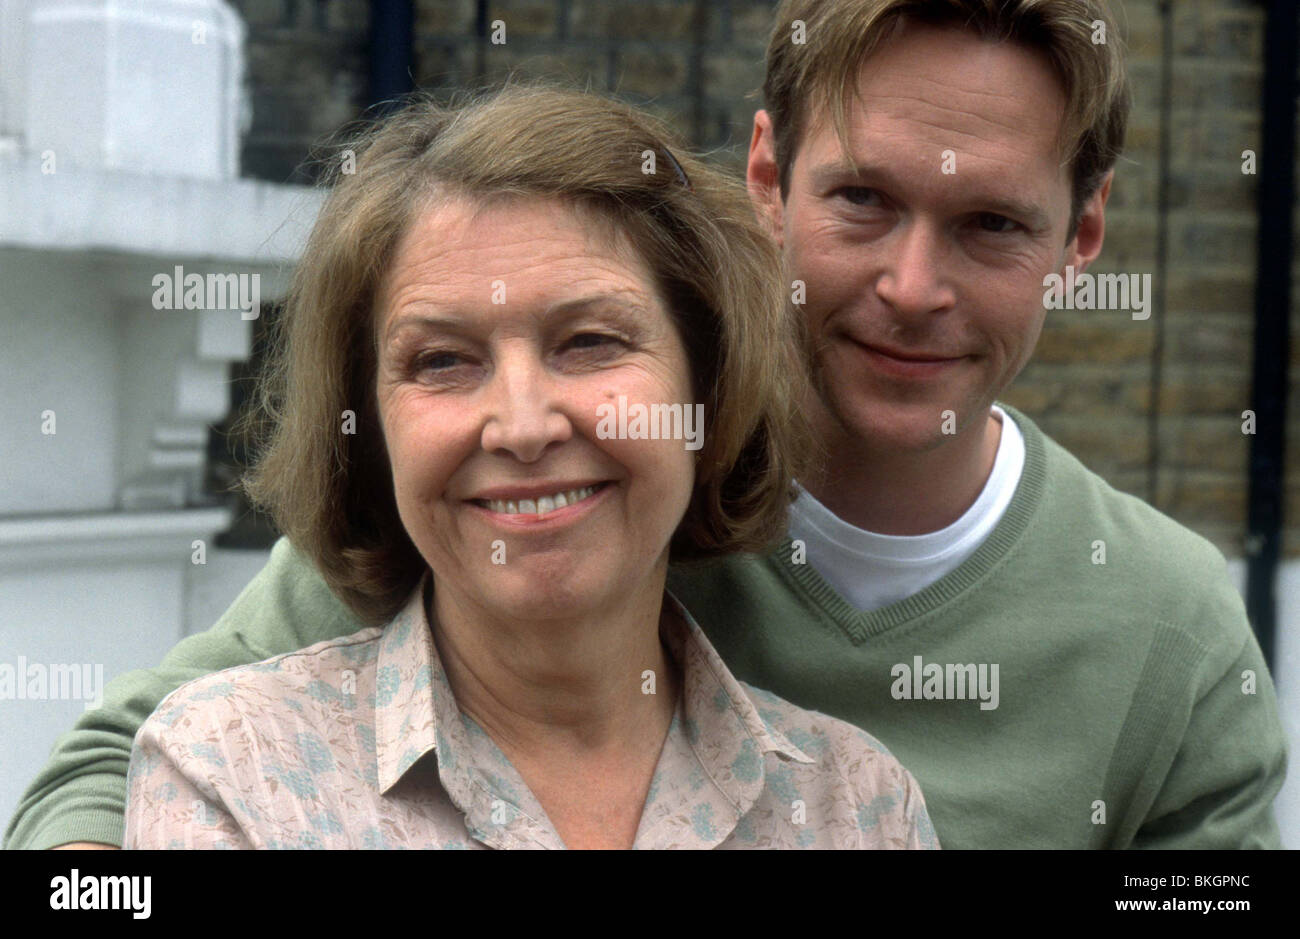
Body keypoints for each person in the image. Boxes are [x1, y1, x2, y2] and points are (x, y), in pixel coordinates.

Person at [8, 0, 1285, 851]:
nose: (911, 286)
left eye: (990, 225)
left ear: (1086, 235)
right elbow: (100, 784)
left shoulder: (1165, 638)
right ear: (771, 176)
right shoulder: (531, 507)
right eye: (861, 201)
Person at [117, 84, 938, 850]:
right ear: (370, 429)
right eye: (441, 360)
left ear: (712, 385)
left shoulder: (855, 808)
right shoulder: (236, 774)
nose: (522, 425)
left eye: (589, 342)